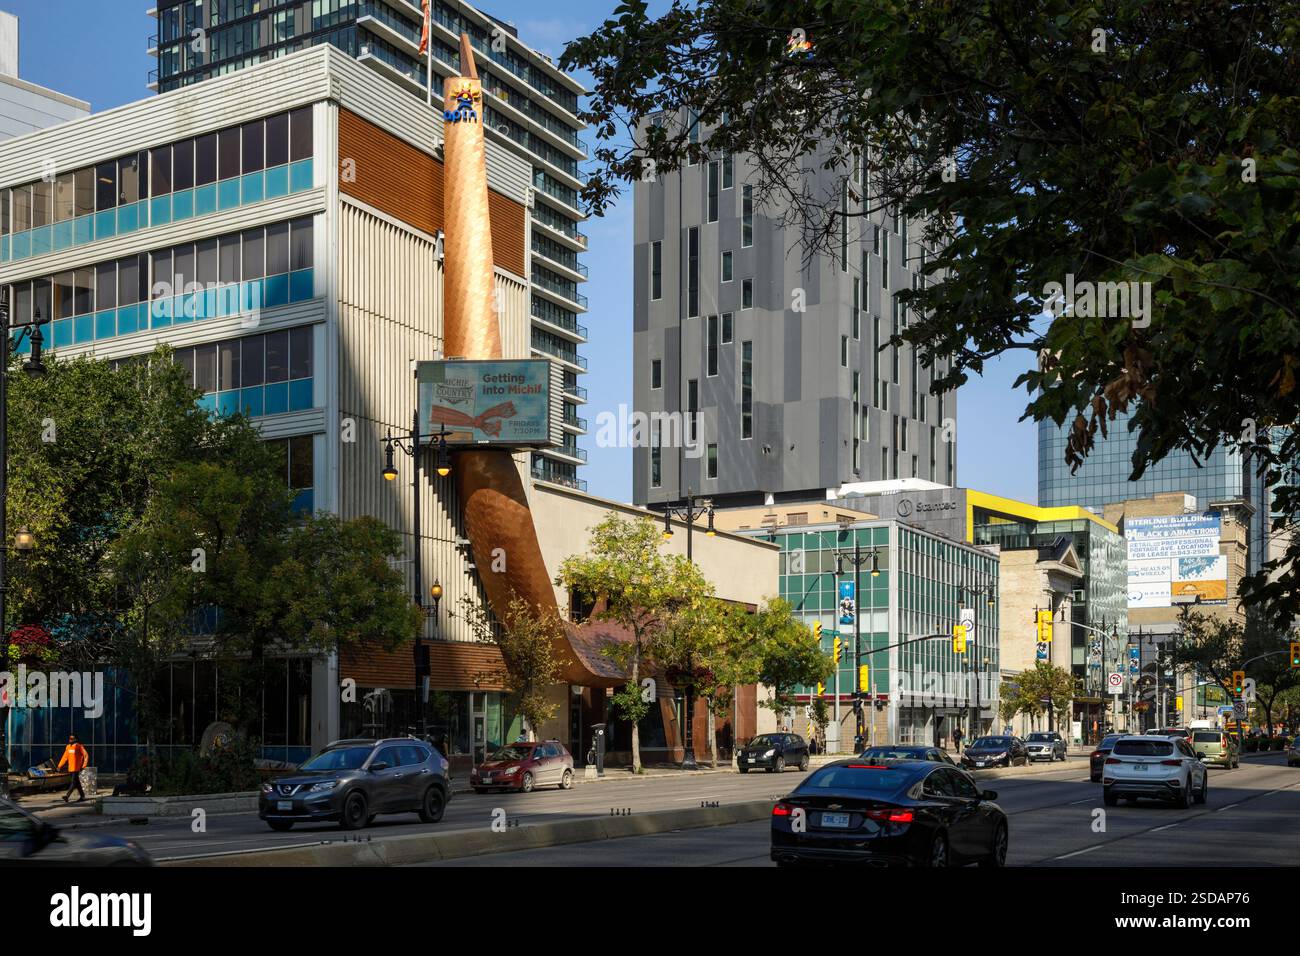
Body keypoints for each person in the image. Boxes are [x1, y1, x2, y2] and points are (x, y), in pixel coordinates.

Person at [58, 735, 89, 803]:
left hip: (77, 768)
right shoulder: (68, 747)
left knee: (73, 782)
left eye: (71, 738)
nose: (70, 740)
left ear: (75, 739)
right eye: (69, 738)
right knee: (77, 783)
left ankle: (67, 796)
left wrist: (84, 765)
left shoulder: (79, 746)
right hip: (71, 768)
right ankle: (82, 796)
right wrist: (59, 766)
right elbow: (64, 757)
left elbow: (86, 755)